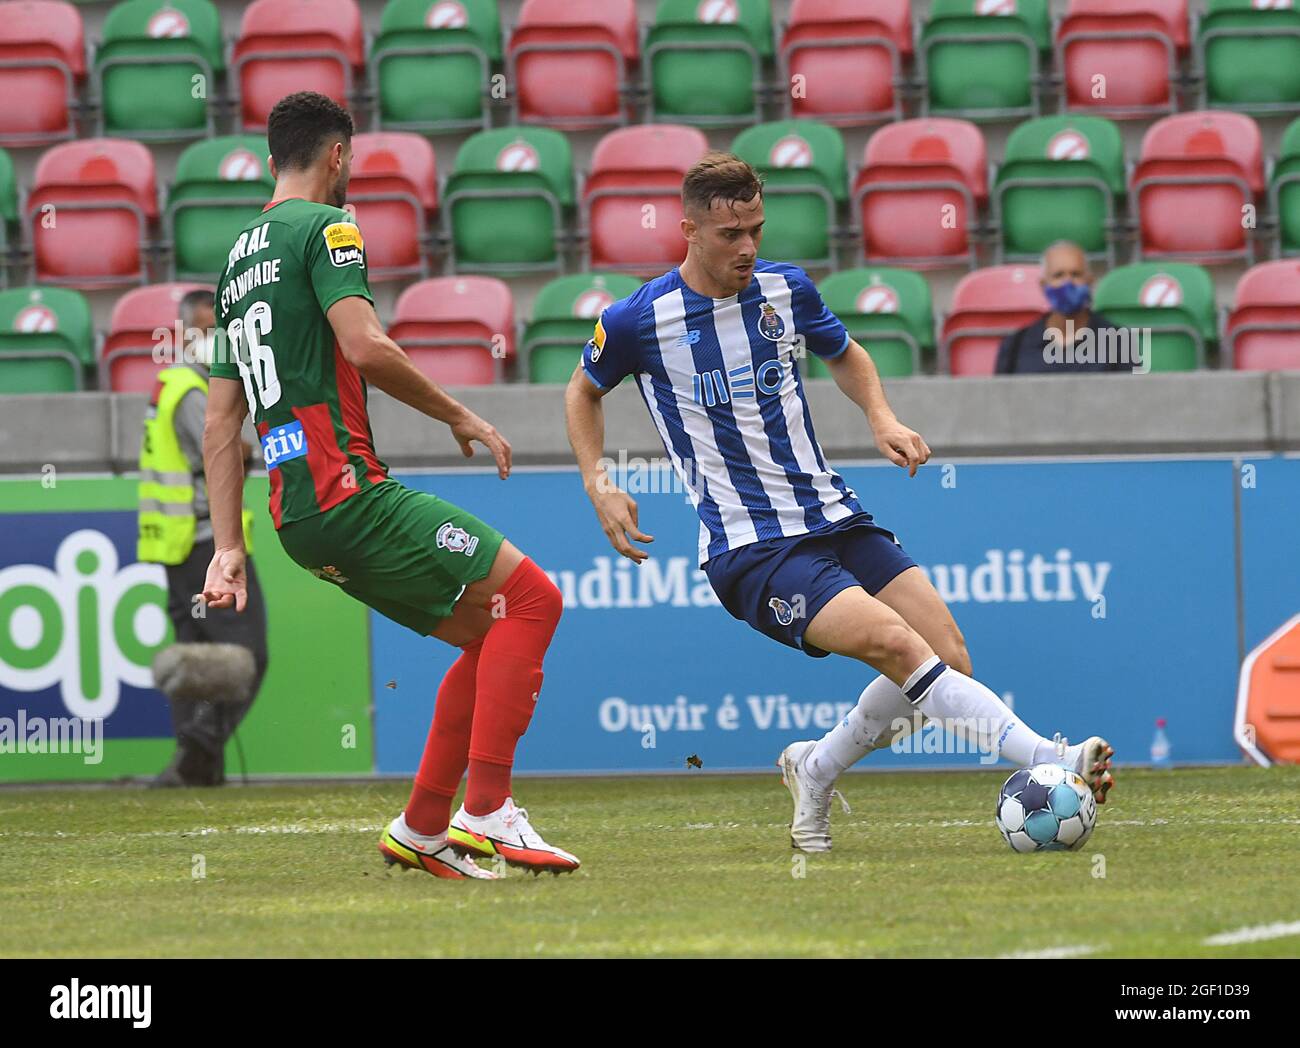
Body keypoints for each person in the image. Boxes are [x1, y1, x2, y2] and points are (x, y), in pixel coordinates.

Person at [565, 153, 1116, 854]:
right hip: (751, 546)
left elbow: (846, 352)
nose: (747, 247)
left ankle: (815, 766)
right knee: (895, 644)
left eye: (756, 230)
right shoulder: (641, 318)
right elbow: (582, 390)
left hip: (830, 513)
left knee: (947, 653)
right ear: (689, 230)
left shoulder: (784, 290)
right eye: (730, 234)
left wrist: (881, 417)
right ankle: (1053, 756)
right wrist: (598, 482)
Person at [199, 92, 576, 880]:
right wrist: (458, 413)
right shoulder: (329, 227)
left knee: (491, 630)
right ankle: (488, 811)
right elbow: (365, 346)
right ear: (337, 156)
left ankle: (423, 826)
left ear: (274, 158)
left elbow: (220, 422)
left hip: (297, 518)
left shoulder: (234, 262)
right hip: (350, 492)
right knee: (535, 600)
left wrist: (229, 548)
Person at [137, 289, 267, 787]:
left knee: (194, 656)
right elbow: (222, 453)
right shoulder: (193, 389)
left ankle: (195, 769)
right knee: (250, 654)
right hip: (205, 543)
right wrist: (248, 450)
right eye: (206, 332)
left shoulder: (169, 384)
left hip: (177, 543)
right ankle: (199, 749)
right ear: (188, 334)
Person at [995, 240, 1131, 374]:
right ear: (1043, 285)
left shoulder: (1117, 341)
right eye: (1058, 275)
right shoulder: (1016, 346)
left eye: (1076, 274)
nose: (1068, 283)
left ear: (1090, 281)